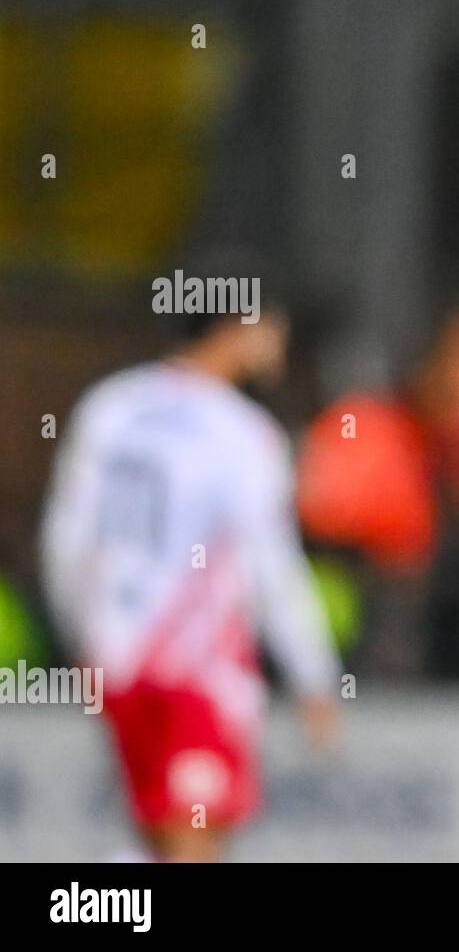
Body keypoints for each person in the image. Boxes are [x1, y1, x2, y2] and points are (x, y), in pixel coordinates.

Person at [39, 279, 341, 861]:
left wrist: (82, 639)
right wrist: (315, 676)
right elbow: (270, 565)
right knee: (193, 845)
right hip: (194, 670)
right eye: (269, 327)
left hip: (118, 660)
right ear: (235, 328)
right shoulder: (242, 433)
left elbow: (66, 538)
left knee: (154, 837)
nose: (278, 344)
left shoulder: (110, 405)